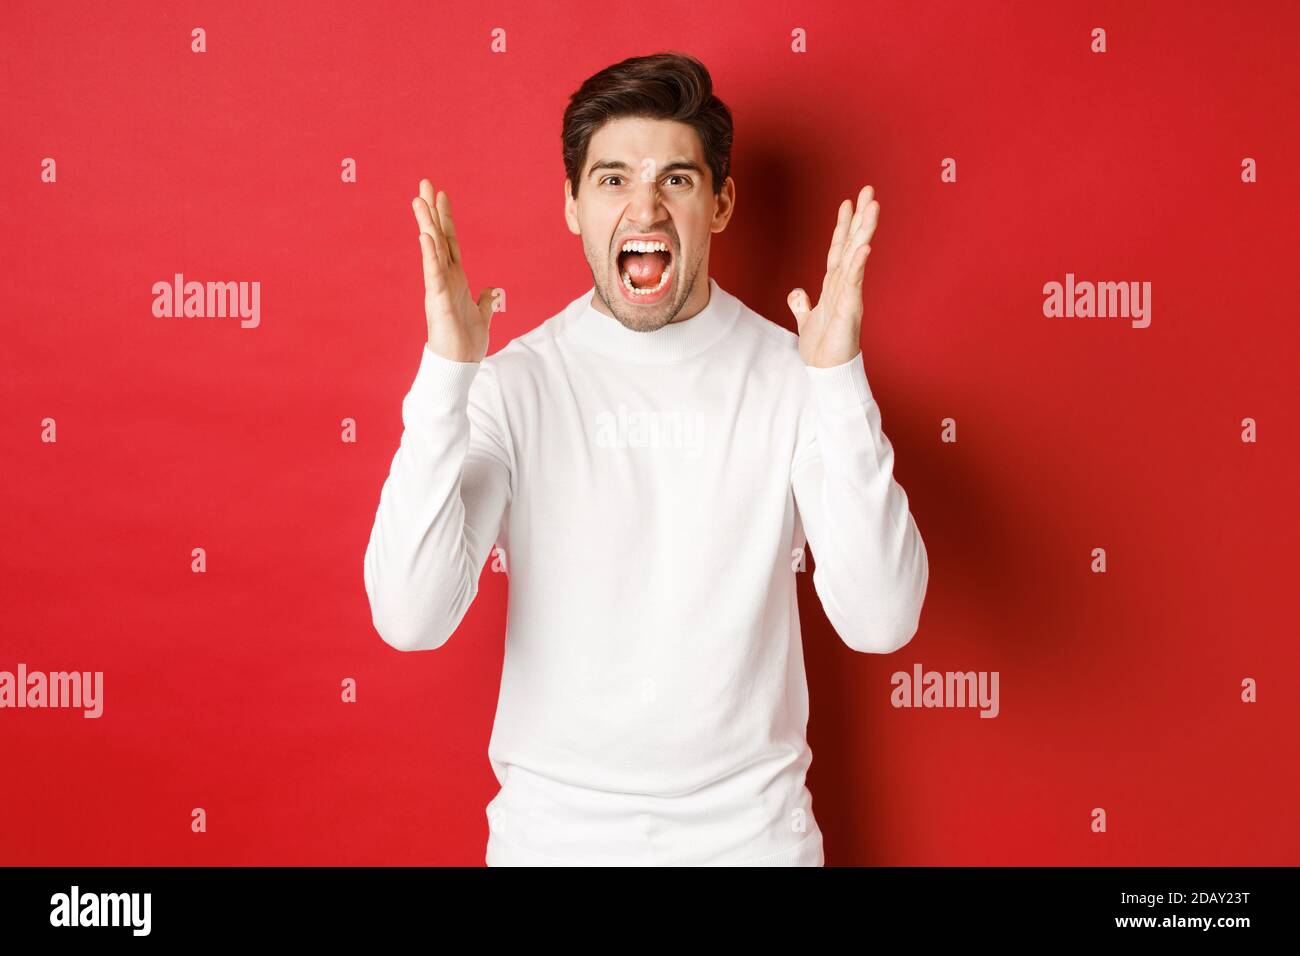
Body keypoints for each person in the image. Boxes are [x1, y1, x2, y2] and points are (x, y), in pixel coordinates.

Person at [363, 51, 929, 866]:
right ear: (572, 206)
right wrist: (448, 374)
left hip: (754, 846)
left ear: (721, 202)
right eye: (613, 179)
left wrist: (838, 382)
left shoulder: (792, 378)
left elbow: (882, 621)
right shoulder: (513, 384)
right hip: (552, 845)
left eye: (676, 180)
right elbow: (411, 617)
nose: (645, 208)